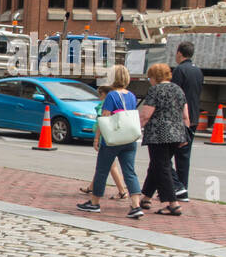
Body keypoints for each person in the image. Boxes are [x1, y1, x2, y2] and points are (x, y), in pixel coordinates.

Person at [76, 65, 143, 218]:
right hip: (129, 138)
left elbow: (105, 118)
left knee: (102, 170)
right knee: (129, 171)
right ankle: (135, 205)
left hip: (113, 139)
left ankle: (94, 202)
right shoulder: (131, 96)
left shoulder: (111, 96)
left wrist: (97, 137)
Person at [137, 62, 189, 216]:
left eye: (150, 78)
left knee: (163, 167)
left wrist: (137, 129)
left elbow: (146, 114)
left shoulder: (155, 90)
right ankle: (146, 197)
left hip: (158, 134)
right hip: (177, 133)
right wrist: (185, 134)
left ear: (154, 77)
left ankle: (173, 203)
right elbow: (186, 115)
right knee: (157, 165)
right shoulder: (178, 90)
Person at [170, 41, 203, 201]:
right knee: (184, 156)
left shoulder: (179, 70)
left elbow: (175, 96)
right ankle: (182, 188)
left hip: (181, 118)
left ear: (179, 53)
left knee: (164, 157)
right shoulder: (198, 71)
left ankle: (178, 188)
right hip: (194, 116)